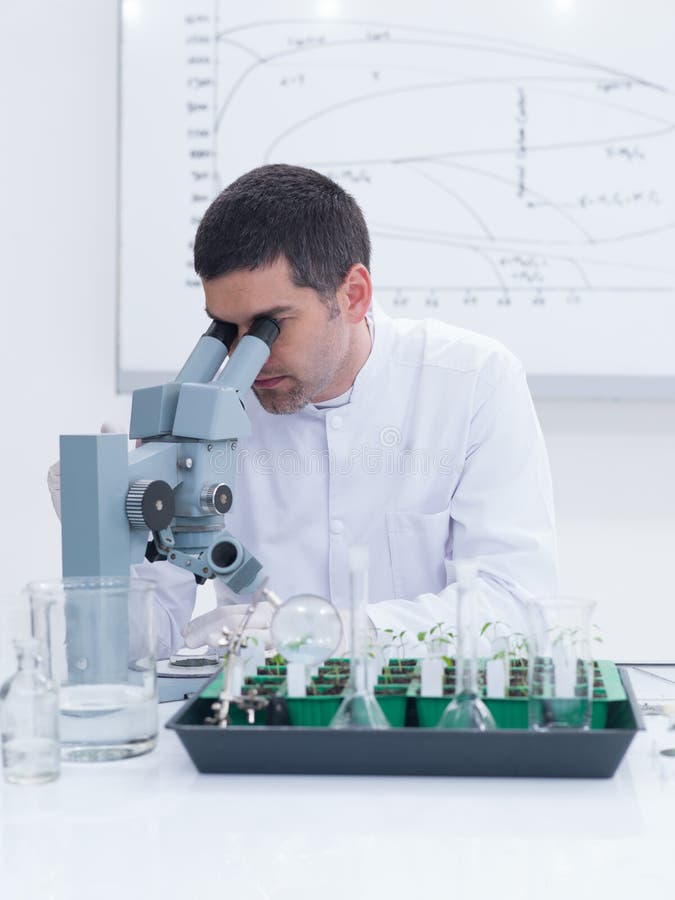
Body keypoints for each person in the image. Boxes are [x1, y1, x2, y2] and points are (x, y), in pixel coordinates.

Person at [50, 164, 558, 658]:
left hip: (421, 718)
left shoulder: (473, 382)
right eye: (227, 330)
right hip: (261, 718)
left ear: (353, 295)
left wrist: (329, 634)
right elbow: (145, 639)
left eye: (272, 325)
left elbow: (518, 608)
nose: (248, 356)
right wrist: (102, 547)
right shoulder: (200, 412)